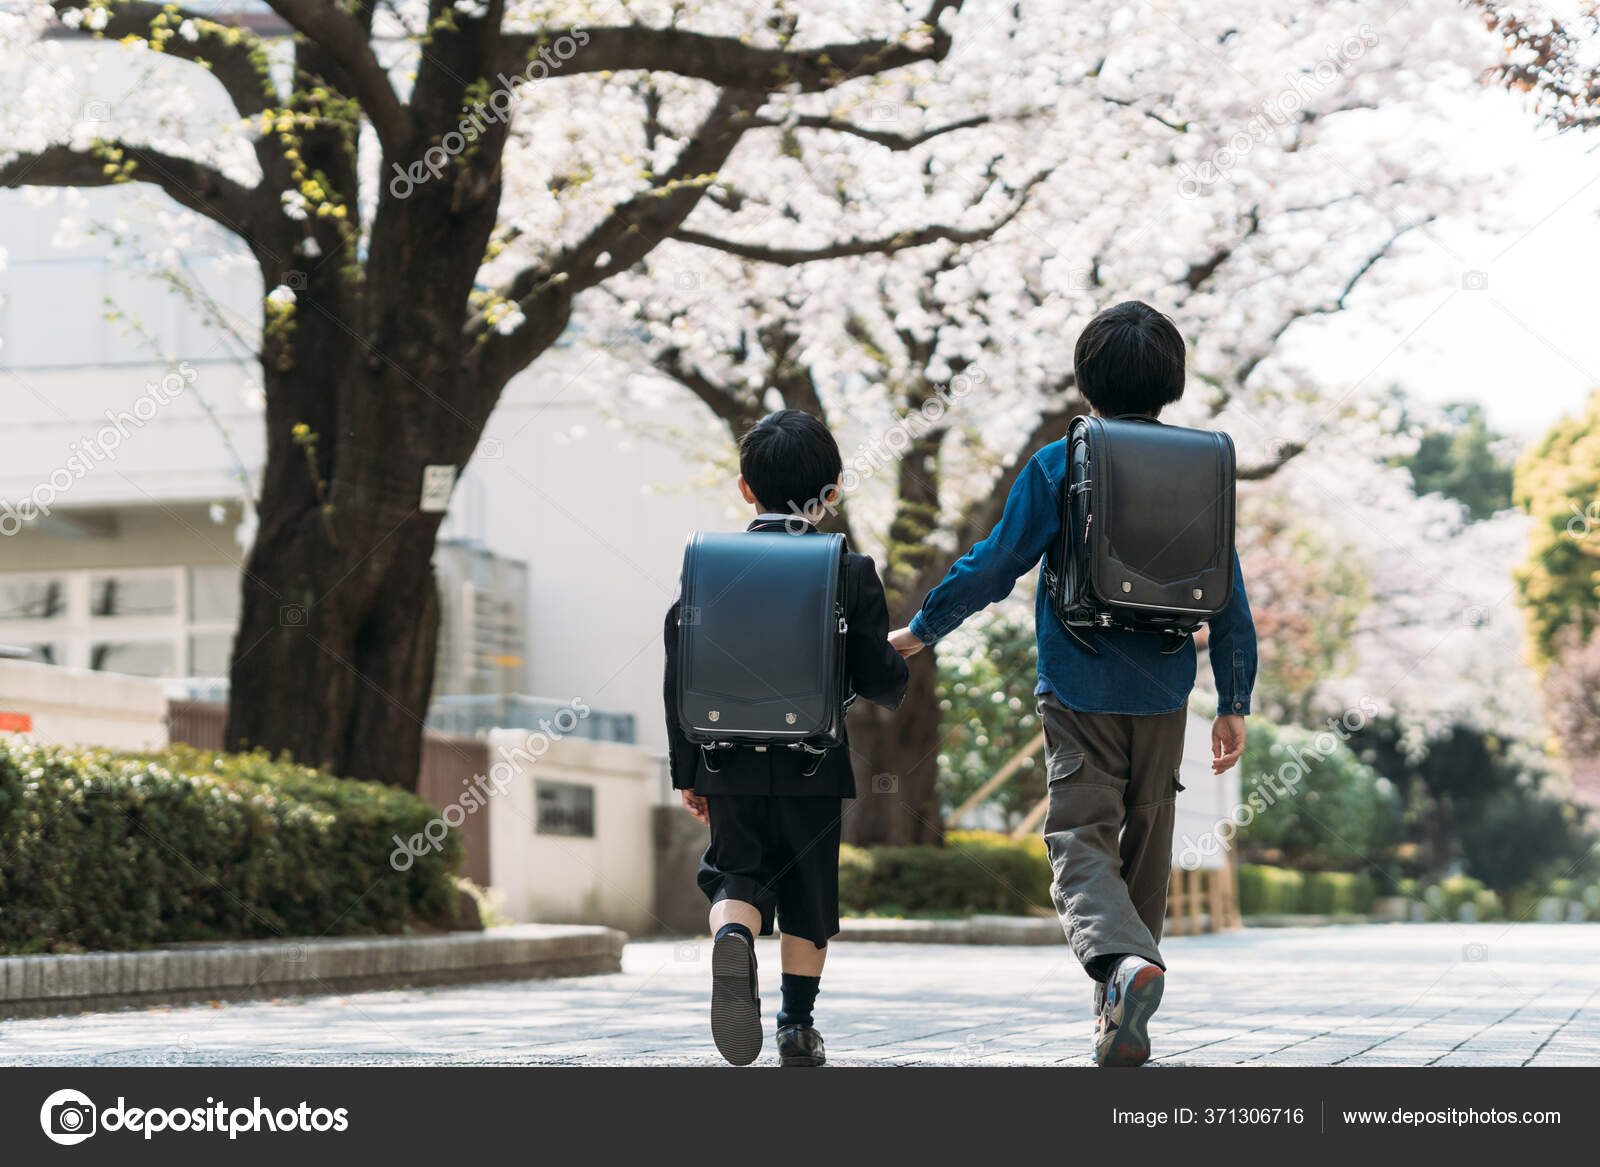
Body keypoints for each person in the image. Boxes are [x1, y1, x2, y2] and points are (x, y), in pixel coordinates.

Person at [888, 300, 1257, 1068]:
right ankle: (1123, 996)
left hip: (1078, 679)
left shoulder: (1061, 462)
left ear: (1085, 380)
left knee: (1078, 834)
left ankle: (1121, 971)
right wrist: (1234, 700)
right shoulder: (1203, 469)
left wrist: (925, 626)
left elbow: (995, 564)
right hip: (1163, 688)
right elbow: (1230, 593)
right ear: (1172, 382)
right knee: (1147, 845)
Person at [664, 409, 909, 1067]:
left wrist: (688, 769)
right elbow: (878, 678)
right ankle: (797, 1026)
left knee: (734, 873)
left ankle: (735, 934)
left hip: (726, 757)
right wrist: (899, 659)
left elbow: (677, 662)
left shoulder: (709, 564)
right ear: (831, 492)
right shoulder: (849, 570)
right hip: (814, 764)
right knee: (808, 894)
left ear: (747, 489)